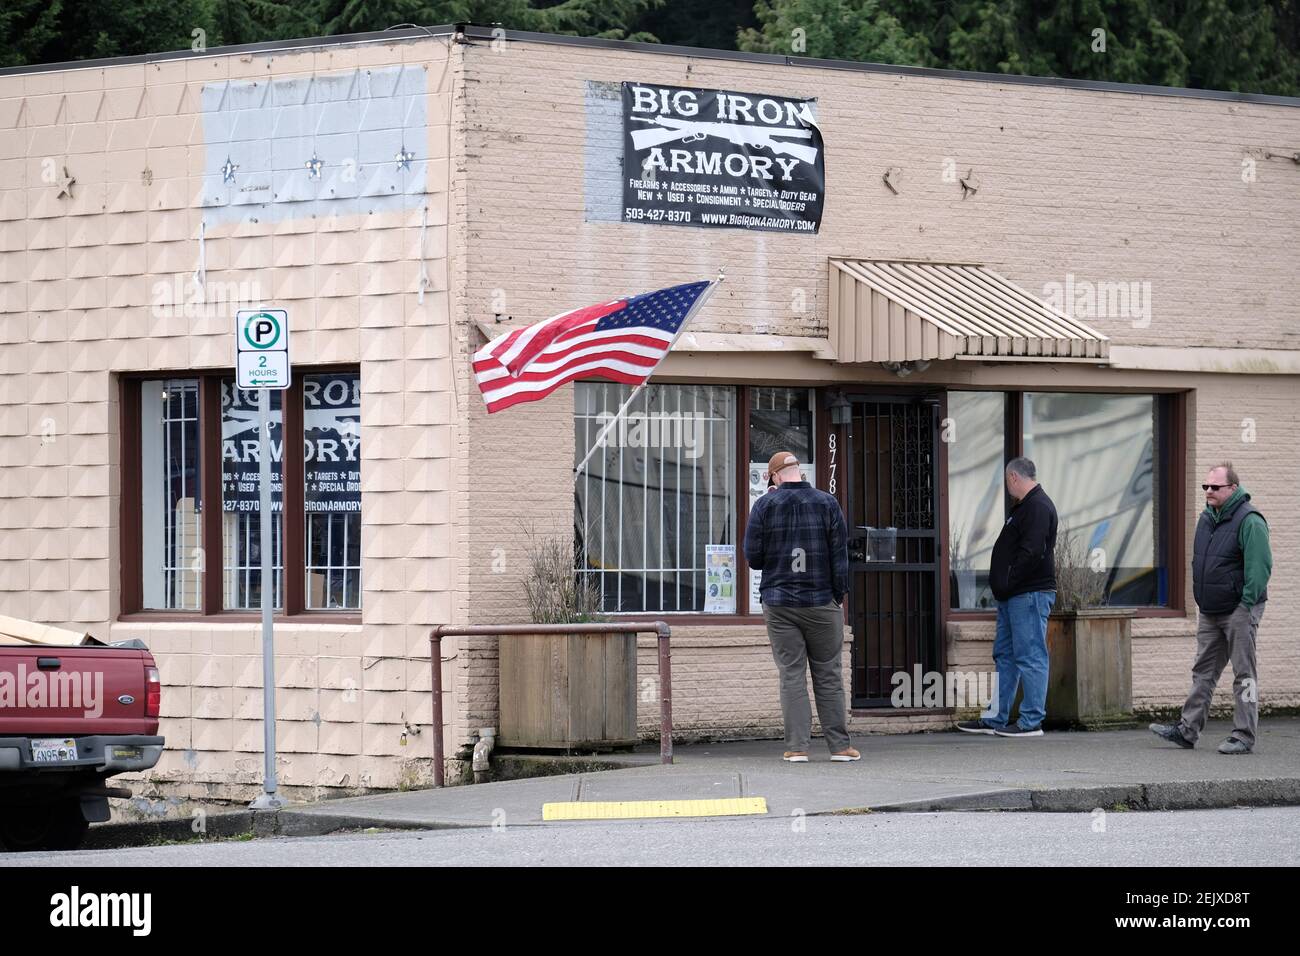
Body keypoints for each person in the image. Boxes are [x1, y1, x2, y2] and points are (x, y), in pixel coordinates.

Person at [743, 451, 859, 763]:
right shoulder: (827, 502)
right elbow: (840, 557)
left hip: (779, 603)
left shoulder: (764, 505)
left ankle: (797, 747)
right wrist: (837, 596)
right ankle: (840, 747)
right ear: (799, 472)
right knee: (828, 673)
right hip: (822, 601)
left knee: (791, 674)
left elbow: (753, 557)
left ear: (775, 476)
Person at [1151, 462, 1271, 754]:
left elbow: (1260, 567)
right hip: (1210, 609)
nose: (1208, 491)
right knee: (1202, 671)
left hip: (1239, 610)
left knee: (1244, 673)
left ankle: (1243, 735)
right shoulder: (1206, 519)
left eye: (1215, 487)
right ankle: (1187, 730)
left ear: (1232, 488)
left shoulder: (1250, 520)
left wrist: (1245, 605)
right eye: (1205, 486)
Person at [958, 456, 1057, 738]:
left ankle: (1030, 721)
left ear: (1014, 477)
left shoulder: (1037, 506)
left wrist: (1008, 580)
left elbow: (1032, 551)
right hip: (1014, 596)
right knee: (1005, 655)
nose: (1007, 486)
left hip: (1027, 594)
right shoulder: (1026, 506)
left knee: (1030, 655)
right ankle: (996, 717)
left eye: (1007, 480)